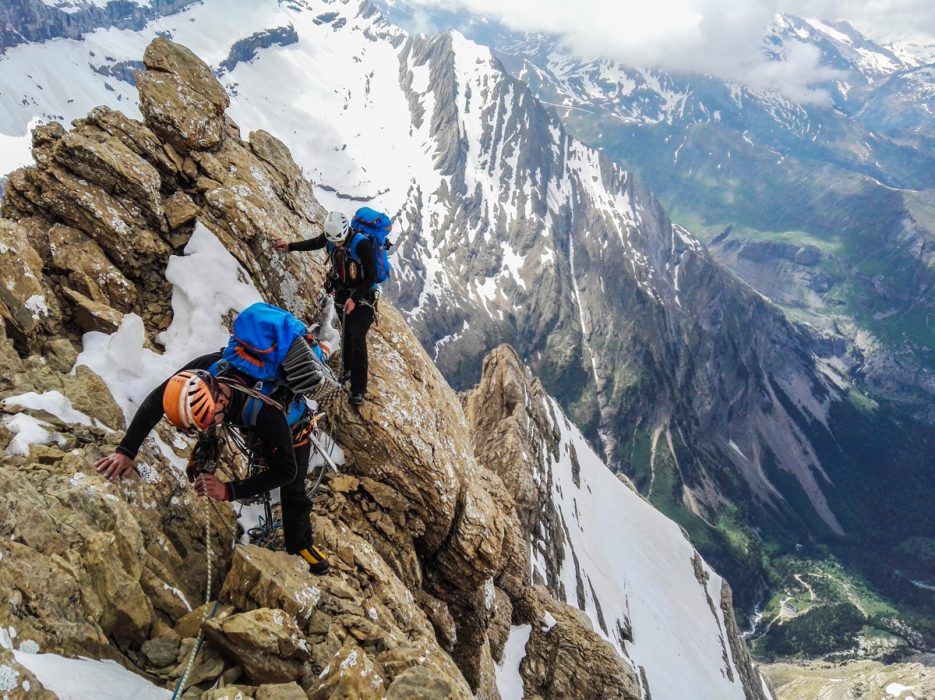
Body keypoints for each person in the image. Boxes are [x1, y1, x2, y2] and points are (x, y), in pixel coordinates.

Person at [94, 355, 330, 575]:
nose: (206, 425)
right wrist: (126, 451)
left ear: (221, 400)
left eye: (208, 419)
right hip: (252, 420)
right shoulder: (201, 373)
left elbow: (286, 471)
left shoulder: (266, 412)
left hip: (292, 427)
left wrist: (229, 490)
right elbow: (155, 403)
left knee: (294, 490)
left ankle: (300, 545)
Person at [277, 211, 376, 406]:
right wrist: (290, 247)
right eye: (334, 242)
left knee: (357, 339)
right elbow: (315, 243)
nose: (337, 245)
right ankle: (346, 370)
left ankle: (358, 389)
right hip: (343, 293)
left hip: (364, 296)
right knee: (347, 333)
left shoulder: (361, 244)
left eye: (339, 241)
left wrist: (355, 298)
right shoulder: (332, 237)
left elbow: (372, 276)